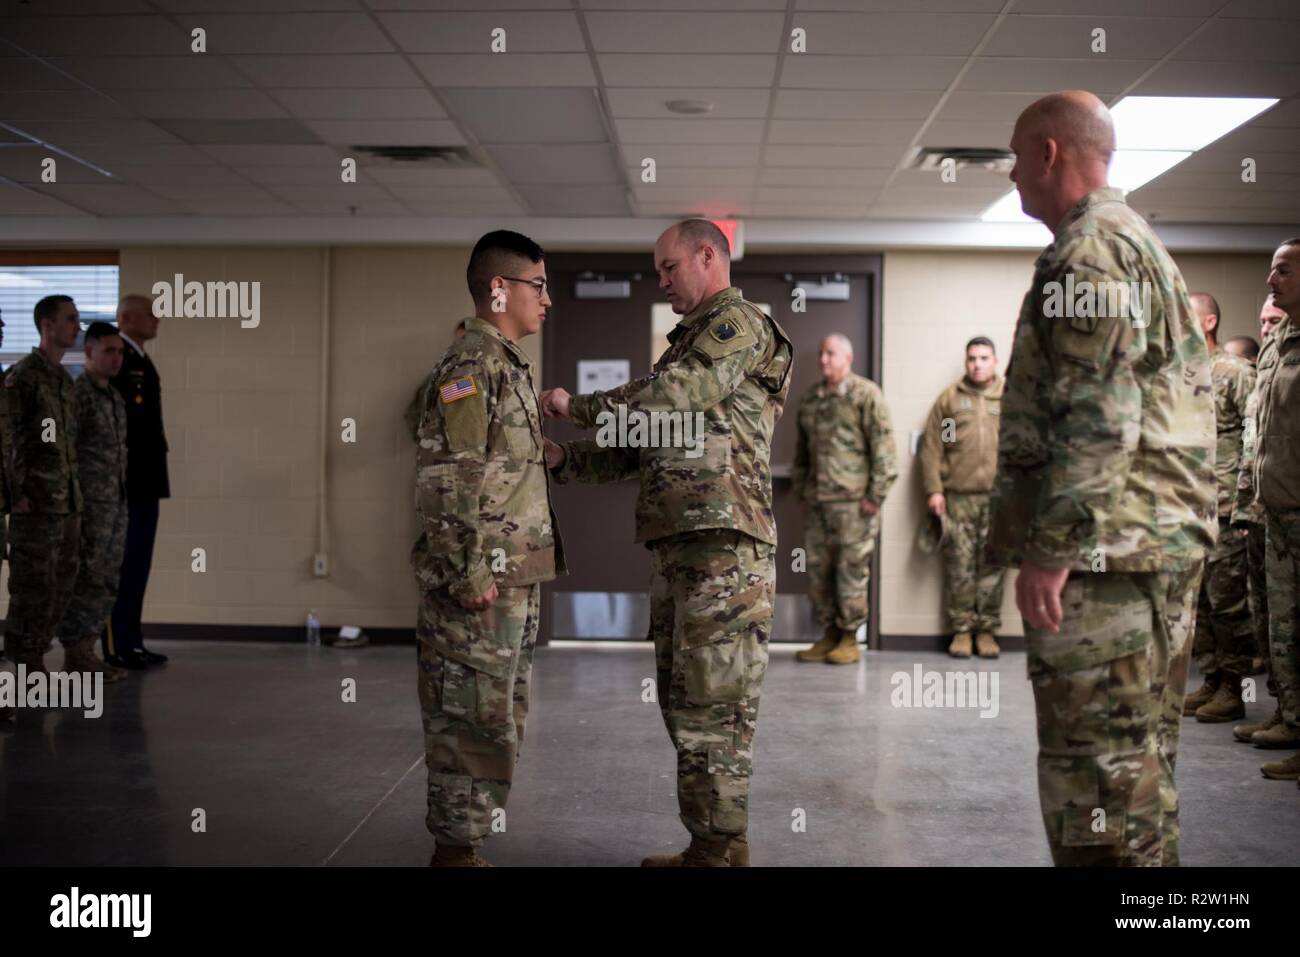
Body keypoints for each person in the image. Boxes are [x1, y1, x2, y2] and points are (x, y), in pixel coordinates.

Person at [986, 91, 1215, 866]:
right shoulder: (1134, 240)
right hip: (1145, 550)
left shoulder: (1089, 251)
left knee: (1097, 788)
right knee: (1138, 776)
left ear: (1050, 153)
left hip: (1108, 558)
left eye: (1018, 156)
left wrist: (1051, 549)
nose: (1013, 174)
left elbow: (1099, 414)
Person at [543, 218, 792, 867]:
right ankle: (717, 840)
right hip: (684, 546)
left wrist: (580, 405)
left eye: (668, 267)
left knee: (714, 700)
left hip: (723, 545)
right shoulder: (684, 346)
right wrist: (563, 460)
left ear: (708, 255)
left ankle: (716, 845)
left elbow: (676, 399)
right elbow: (645, 441)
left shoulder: (736, 328)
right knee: (688, 696)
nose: (660, 281)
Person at [413, 231, 565, 866]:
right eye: (539, 285)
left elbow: (497, 468)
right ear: (499, 289)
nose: (548, 300)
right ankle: (455, 850)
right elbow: (448, 477)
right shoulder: (472, 367)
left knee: (498, 717)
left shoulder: (506, 364)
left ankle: (467, 841)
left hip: (512, 579)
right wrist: (468, 570)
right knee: (468, 717)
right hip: (481, 582)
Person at [791, 333, 896, 665]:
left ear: (847, 358)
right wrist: (801, 490)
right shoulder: (811, 400)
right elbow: (801, 454)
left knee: (850, 571)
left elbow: (884, 450)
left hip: (854, 505)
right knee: (820, 571)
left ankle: (851, 636)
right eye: (821, 354)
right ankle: (829, 634)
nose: (823, 360)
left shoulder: (866, 395)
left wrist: (875, 496)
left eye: (831, 354)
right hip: (819, 503)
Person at [1182, 293, 1256, 724]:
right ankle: (1212, 678)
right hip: (1192, 506)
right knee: (1204, 602)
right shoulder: (1182, 374)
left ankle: (1235, 686)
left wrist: (1247, 499)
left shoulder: (1234, 372)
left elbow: (1255, 435)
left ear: (1209, 322)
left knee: (1229, 602)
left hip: (1227, 504)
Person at [4, 295, 85, 675]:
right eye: (70, 319)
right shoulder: (23, 377)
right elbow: (9, 438)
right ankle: (20, 672)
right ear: (47, 325)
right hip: (35, 506)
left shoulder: (63, 381)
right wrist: (15, 494)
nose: (77, 327)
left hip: (66, 504)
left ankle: (34, 663)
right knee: (30, 594)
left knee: (59, 589)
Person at [917, 336, 1006, 659]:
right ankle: (962, 631)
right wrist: (934, 490)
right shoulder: (951, 400)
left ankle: (986, 631)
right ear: (966, 362)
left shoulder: (1009, 397)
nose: (977, 364)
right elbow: (931, 448)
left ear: (995, 361)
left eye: (984, 358)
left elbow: (1023, 446)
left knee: (994, 566)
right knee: (959, 566)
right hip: (958, 499)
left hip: (999, 500)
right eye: (972, 358)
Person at [1251, 239, 1300, 781]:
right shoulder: (1278, 344)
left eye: (1283, 270)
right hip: (1278, 510)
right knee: (1285, 630)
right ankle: (1292, 721)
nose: (1271, 279)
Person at [56, 322, 130, 684]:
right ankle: (76, 653)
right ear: (89, 353)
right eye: (109, 352)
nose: (116, 359)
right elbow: (66, 451)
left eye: (119, 352)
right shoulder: (78, 395)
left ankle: (88, 649)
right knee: (84, 577)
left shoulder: (114, 397)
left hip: (114, 505)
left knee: (105, 579)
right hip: (88, 505)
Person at [1230, 298, 1289, 744]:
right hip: (1265, 506)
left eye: (1273, 320)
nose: (1266, 327)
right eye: (1262, 319)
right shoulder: (1271, 360)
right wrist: (1245, 504)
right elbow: (1254, 443)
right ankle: (1286, 711)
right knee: (1273, 617)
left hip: (1289, 502)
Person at [105, 294, 170, 669]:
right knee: (124, 564)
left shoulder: (141, 359)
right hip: (127, 481)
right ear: (127, 318)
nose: (156, 320)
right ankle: (116, 645)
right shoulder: (121, 361)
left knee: (139, 563)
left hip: (146, 479)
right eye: (150, 314)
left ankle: (133, 640)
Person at [405, 318, 468, 442]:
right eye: (457, 341)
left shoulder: (486, 374)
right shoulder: (443, 375)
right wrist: (427, 441)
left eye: (464, 340)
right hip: (449, 453)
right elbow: (415, 412)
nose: (459, 346)